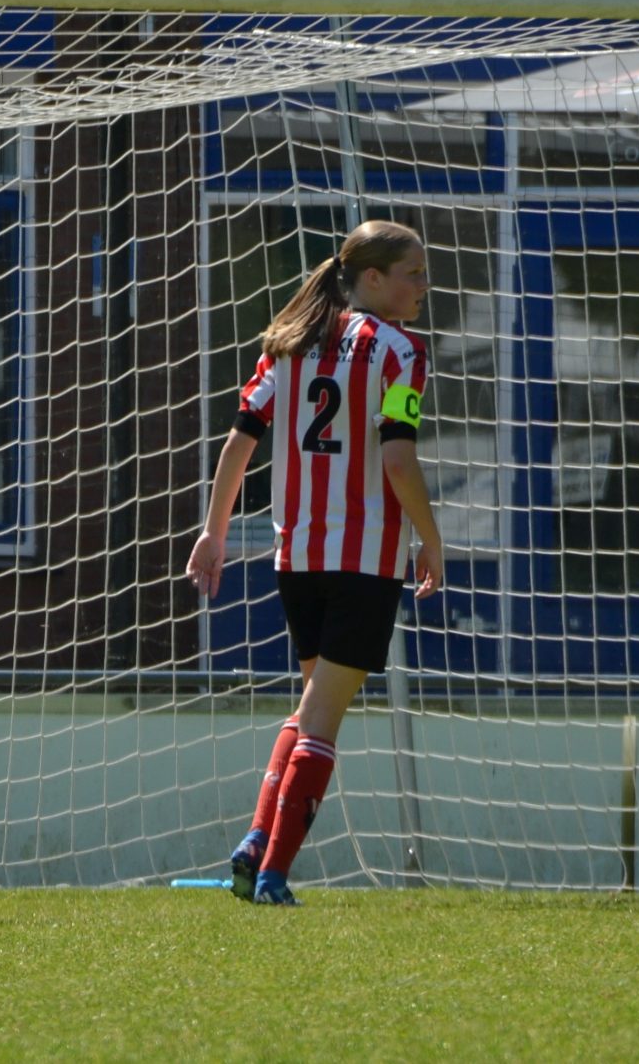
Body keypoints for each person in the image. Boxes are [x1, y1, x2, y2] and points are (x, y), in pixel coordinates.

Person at [185, 219, 445, 907]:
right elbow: (396, 457)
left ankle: (253, 842)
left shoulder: (288, 349)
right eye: (413, 273)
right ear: (372, 279)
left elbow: (240, 444)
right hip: (364, 560)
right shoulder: (401, 352)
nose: (424, 285)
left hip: (296, 557)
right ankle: (272, 874)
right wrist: (431, 535)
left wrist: (213, 532)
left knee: (308, 709)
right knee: (322, 720)